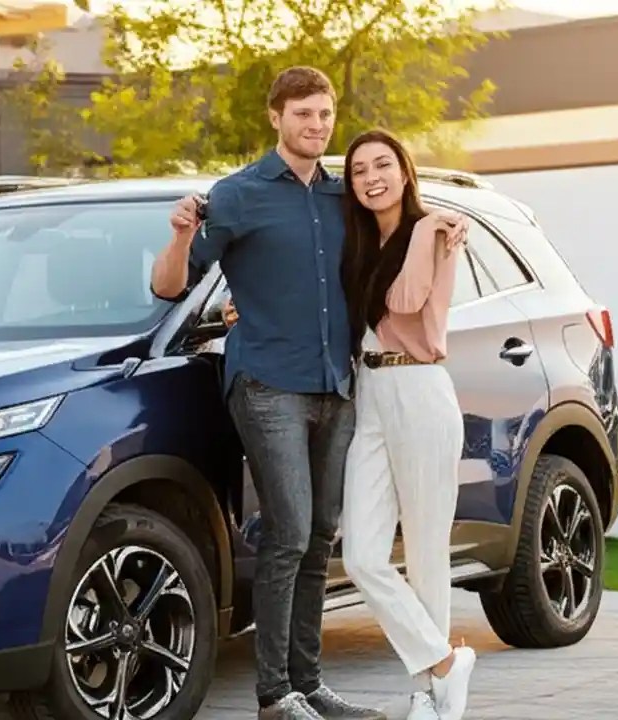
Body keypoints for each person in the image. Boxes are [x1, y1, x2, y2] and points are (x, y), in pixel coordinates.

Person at [150, 66, 384, 720]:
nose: (317, 125)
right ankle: (275, 694)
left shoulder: (343, 196)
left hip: (336, 383)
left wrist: (441, 229)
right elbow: (169, 287)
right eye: (303, 114)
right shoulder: (238, 195)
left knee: (321, 534)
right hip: (268, 385)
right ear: (276, 117)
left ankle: (309, 684)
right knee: (289, 532)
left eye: (325, 114)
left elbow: (391, 245)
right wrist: (180, 235)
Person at [222, 129, 476, 720]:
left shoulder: (433, 233)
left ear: (405, 171)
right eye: (359, 171)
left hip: (419, 391)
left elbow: (405, 301)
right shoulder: (358, 241)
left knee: (426, 552)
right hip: (367, 393)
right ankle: (444, 662)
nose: (370, 179)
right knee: (361, 556)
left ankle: (427, 695)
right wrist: (251, 308)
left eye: (383, 165)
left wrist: (426, 227)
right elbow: (317, 298)